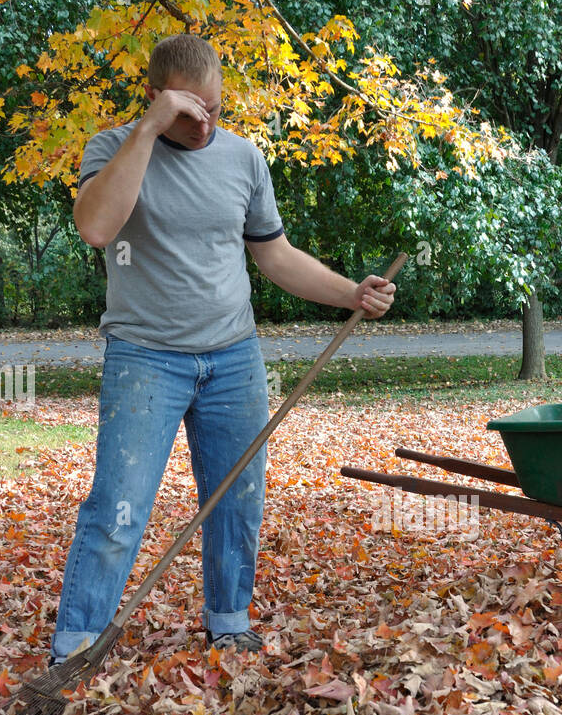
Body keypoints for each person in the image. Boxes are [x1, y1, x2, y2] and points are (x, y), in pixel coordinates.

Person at [50, 33, 395, 664]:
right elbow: (97, 227)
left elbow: (275, 255)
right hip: (144, 357)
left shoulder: (244, 160)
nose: (206, 123)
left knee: (237, 498)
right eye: (189, 111)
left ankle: (228, 619)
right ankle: (77, 641)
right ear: (155, 99)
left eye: (217, 109)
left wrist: (352, 292)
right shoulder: (114, 148)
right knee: (119, 503)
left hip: (233, 359)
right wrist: (149, 133)